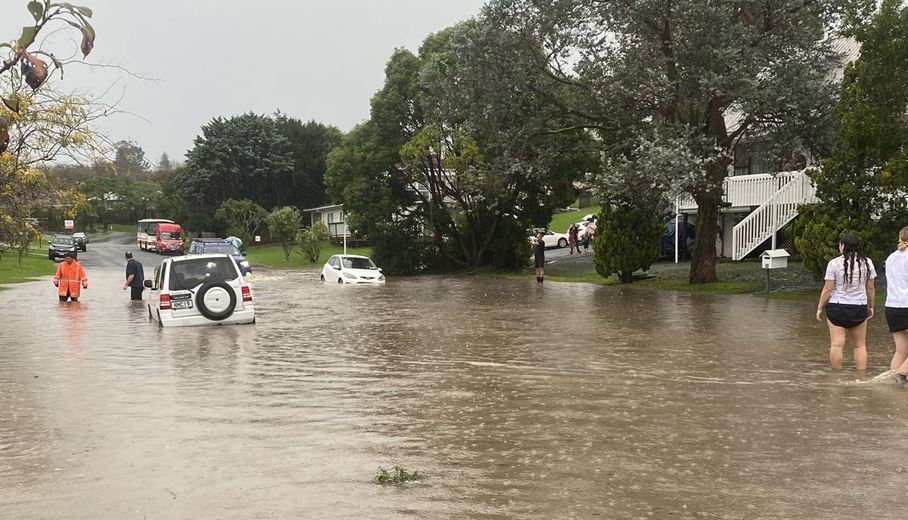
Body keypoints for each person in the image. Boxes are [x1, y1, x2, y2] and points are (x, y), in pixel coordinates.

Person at [816, 235, 876, 371]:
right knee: (860, 345)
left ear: (842, 246)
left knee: (837, 345)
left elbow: (828, 288)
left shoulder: (834, 263)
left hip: (837, 307)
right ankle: (861, 378)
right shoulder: (867, 263)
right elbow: (870, 288)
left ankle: (836, 379)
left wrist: (820, 307)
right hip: (859, 307)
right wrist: (871, 306)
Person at [884, 227, 908, 385]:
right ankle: (900, 374)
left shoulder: (891, 257)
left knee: (901, 350)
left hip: (892, 307)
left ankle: (894, 388)